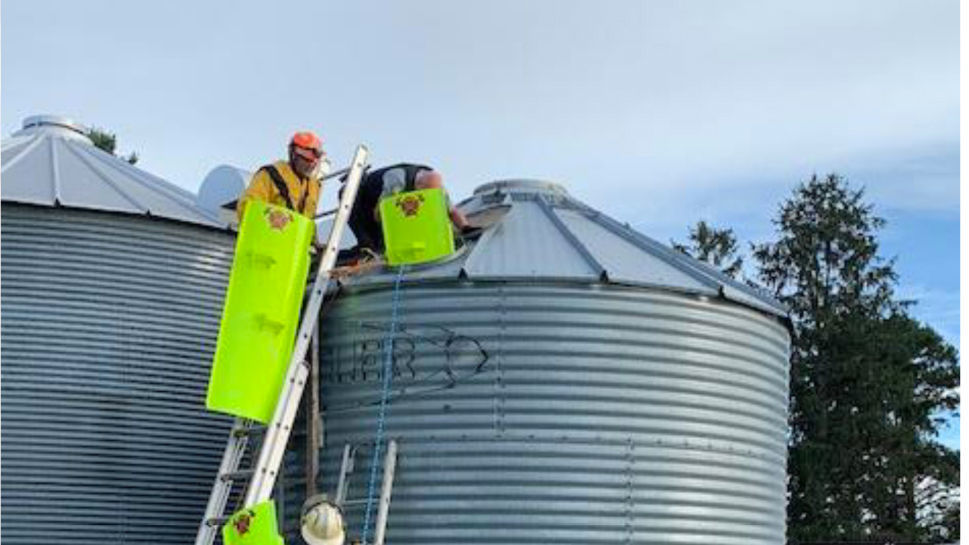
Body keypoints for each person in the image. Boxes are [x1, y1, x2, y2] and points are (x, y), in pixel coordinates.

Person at [345, 163, 472, 254]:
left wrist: (465, 228)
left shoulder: (436, 188)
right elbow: (379, 213)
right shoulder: (397, 179)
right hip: (365, 198)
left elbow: (452, 211)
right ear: (418, 186)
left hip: (387, 202)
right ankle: (365, 248)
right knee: (373, 243)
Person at [236, 131, 325, 222]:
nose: (311, 166)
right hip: (268, 234)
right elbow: (246, 208)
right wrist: (272, 218)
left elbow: (309, 221)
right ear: (293, 156)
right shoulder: (270, 175)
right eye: (307, 160)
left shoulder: (314, 187)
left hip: (297, 235)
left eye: (314, 163)